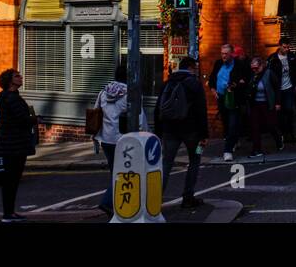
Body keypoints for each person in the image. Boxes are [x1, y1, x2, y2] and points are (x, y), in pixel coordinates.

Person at [155, 56, 209, 209]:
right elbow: (201, 111)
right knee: (195, 159)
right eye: (196, 68)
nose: (197, 71)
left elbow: (159, 107)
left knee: (166, 163)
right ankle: (188, 197)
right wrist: (204, 135)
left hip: (169, 131)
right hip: (192, 132)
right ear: (191, 67)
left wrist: (158, 131)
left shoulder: (168, 82)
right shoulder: (195, 84)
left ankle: (155, 200)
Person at [94, 60, 147, 214]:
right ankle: (107, 202)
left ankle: (117, 203)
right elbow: (139, 118)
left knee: (115, 171)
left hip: (106, 139)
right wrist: (145, 135)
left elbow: (96, 111)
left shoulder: (104, 92)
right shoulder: (131, 93)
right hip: (124, 140)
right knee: (122, 173)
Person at [0, 68, 35, 223]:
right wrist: (34, 119)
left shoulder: (3, 98)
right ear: (10, 81)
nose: (21, 77)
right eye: (17, 76)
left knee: (9, 180)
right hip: (16, 145)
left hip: (7, 143)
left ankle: (9, 212)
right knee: (12, 180)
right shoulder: (13, 99)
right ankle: (8, 214)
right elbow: (22, 119)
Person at [209, 42, 249, 162]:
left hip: (233, 97)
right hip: (221, 98)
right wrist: (213, 90)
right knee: (226, 124)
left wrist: (238, 84)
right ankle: (234, 140)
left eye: (226, 54)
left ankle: (227, 151)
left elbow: (245, 78)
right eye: (222, 54)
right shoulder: (218, 63)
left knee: (232, 123)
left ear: (232, 54)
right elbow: (212, 79)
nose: (224, 56)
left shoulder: (239, 64)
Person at [267, 38, 296, 143]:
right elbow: (269, 75)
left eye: (288, 47)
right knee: (280, 113)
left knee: (289, 111)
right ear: (279, 46)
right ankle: (282, 134)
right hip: (278, 90)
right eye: (284, 47)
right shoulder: (273, 58)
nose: (286, 49)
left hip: (289, 88)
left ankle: (290, 134)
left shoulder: (292, 57)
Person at [246, 55, 283, 157]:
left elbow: (277, 88)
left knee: (271, 125)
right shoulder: (253, 75)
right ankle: (256, 150)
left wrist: (277, 103)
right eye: (252, 68)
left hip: (267, 103)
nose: (254, 70)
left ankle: (279, 140)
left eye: (256, 68)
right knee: (255, 127)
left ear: (261, 65)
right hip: (255, 104)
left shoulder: (269, 74)